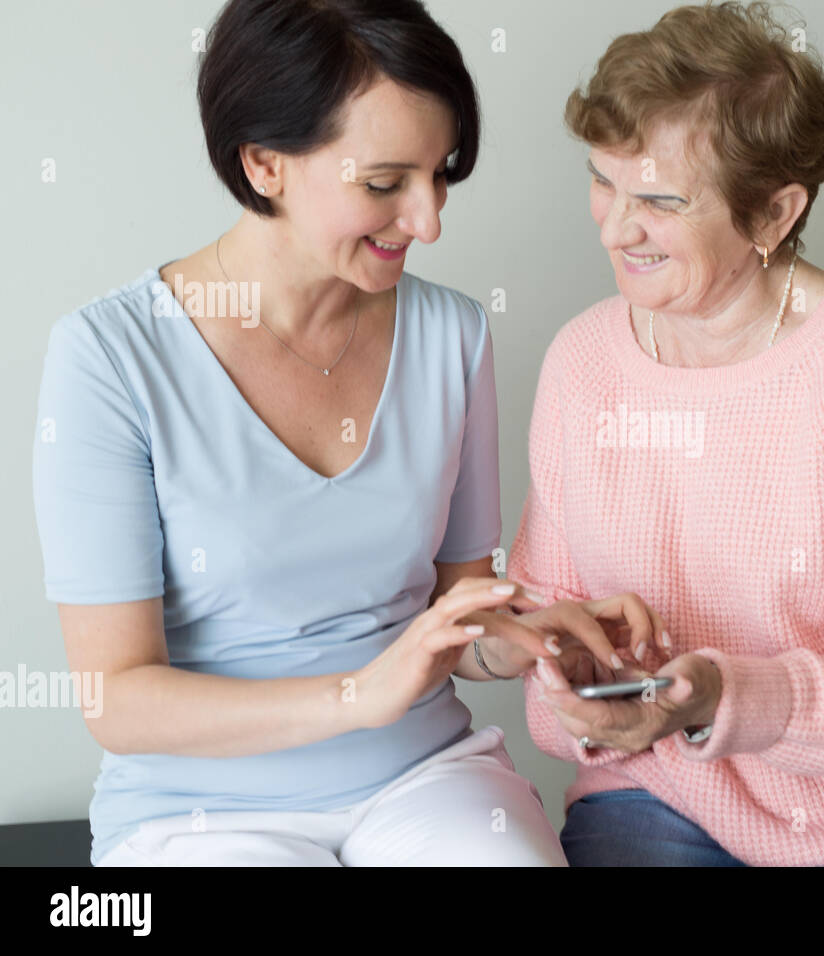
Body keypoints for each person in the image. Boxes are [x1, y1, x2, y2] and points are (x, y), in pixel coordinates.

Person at [30, 0, 631, 867]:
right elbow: (117, 699)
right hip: (197, 812)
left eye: (442, 173)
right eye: (385, 184)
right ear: (264, 162)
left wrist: (538, 639)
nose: (428, 221)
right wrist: (360, 693)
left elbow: (455, 613)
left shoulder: (451, 334)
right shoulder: (109, 358)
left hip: (422, 778)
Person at [504, 1, 824, 866]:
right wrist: (566, 663)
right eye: (604, 180)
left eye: (660, 200)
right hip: (661, 788)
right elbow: (543, 599)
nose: (613, 226)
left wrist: (718, 694)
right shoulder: (582, 362)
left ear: (773, 214)